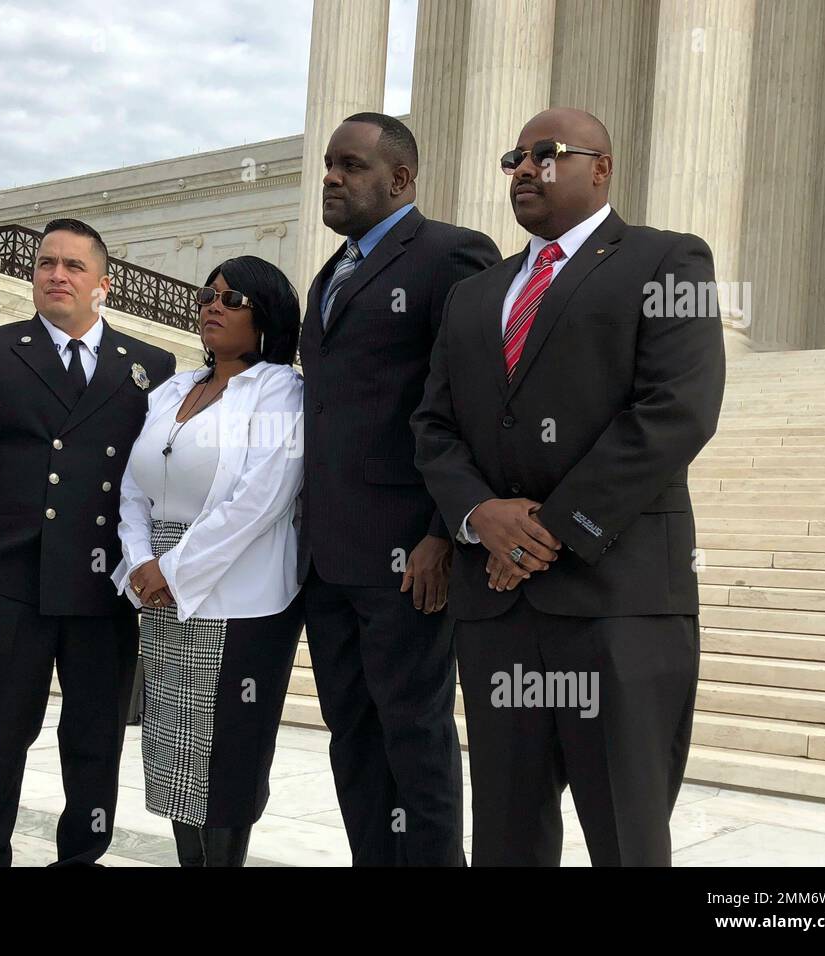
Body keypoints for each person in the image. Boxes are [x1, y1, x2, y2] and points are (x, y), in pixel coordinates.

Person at [411, 108, 725, 866]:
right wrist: (479, 513)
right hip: (498, 612)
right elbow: (434, 427)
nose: (524, 169)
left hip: (616, 604)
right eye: (514, 156)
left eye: (544, 154)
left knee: (626, 836)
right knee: (506, 839)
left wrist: (550, 529)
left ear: (602, 168)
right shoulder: (475, 298)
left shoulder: (668, 262)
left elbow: (677, 410)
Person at [0, 218, 176, 866]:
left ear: (102, 285)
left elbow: (161, 473)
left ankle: (79, 858)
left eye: (72, 266)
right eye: (45, 264)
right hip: (7, 583)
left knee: (95, 740)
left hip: (103, 586)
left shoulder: (151, 367)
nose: (56, 275)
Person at [296, 112, 501, 865]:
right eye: (328, 164)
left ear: (401, 179)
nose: (332, 177)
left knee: (413, 736)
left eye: (350, 165)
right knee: (352, 735)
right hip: (327, 557)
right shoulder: (331, 274)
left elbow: (476, 402)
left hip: (408, 555)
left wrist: (445, 532)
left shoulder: (452, 256)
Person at [113, 256, 305, 867]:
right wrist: (142, 558)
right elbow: (132, 486)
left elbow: (264, 497)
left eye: (233, 298)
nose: (213, 305)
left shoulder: (285, 390)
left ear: (267, 314)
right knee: (173, 749)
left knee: (225, 757)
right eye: (209, 293)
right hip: (159, 591)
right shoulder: (172, 389)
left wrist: (173, 569)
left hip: (239, 595)